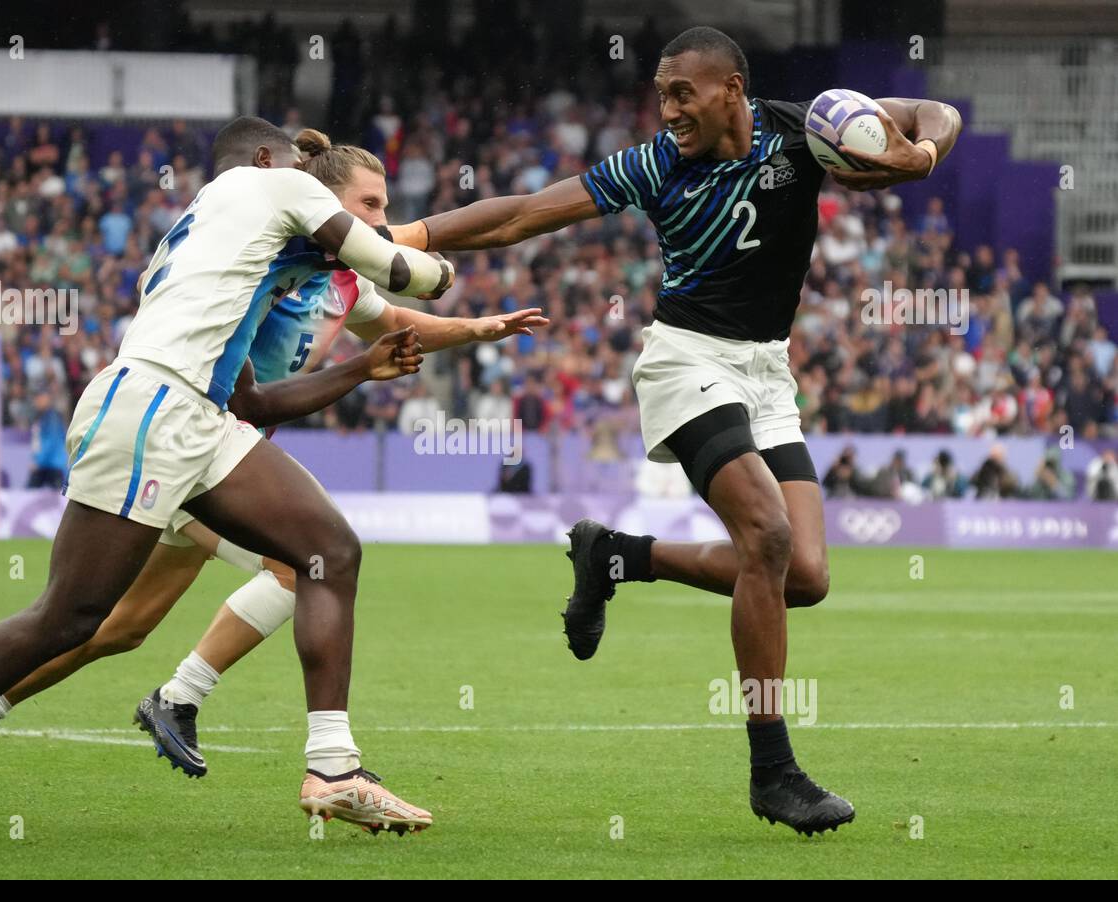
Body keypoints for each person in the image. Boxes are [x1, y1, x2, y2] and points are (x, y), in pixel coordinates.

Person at [389, 26, 962, 835]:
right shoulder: (656, 163)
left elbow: (935, 110)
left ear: (731, 89)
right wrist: (410, 237)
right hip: (687, 360)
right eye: (662, 96)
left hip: (768, 371)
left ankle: (618, 556)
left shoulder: (805, 126)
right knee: (764, 535)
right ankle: (775, 771)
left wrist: (919, 155)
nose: (670, 110)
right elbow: (523, 214)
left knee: (804, 576)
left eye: (682, 93)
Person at [0, 116, 456, 847]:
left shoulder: (214, 229)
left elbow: (256, 400)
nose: (304, 174)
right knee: (71, 617)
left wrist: (365, 356)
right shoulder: (270, 189)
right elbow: (400, 273)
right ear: (265, 161)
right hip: (154, 410)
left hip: (195, 416)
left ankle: (332, 767)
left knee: (327, 550)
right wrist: (445, 269)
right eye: (295, 164)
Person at [0, 130, 546, 793]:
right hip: (195, 437)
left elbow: (395, 320)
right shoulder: (271, 258)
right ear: (325, 199)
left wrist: (478, 329)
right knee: (303, 561)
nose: (380, 218)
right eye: (368, 202)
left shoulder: (339, 280)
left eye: (385, 203)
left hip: (218, 452)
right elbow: (256, 381)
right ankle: (187, 698)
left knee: (119, 625)